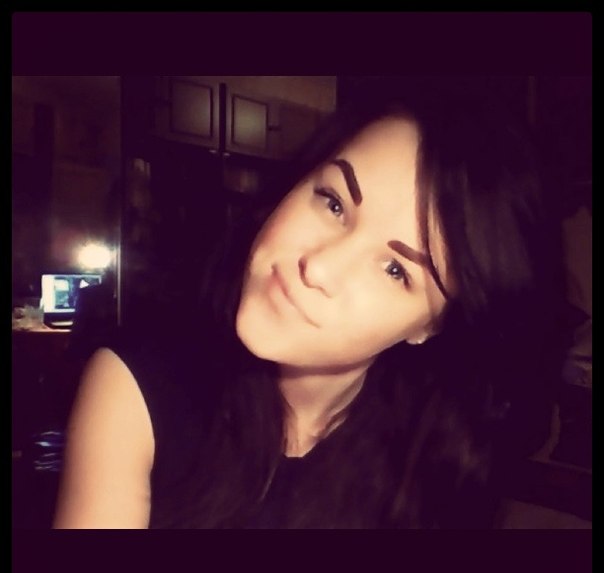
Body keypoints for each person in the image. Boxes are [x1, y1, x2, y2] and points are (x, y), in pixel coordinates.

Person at [53, 80, 569, 529]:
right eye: (334, 202)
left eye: (395, 270)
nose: (318, 268)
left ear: (430, 327)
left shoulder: (436, 457)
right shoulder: (137, 389)